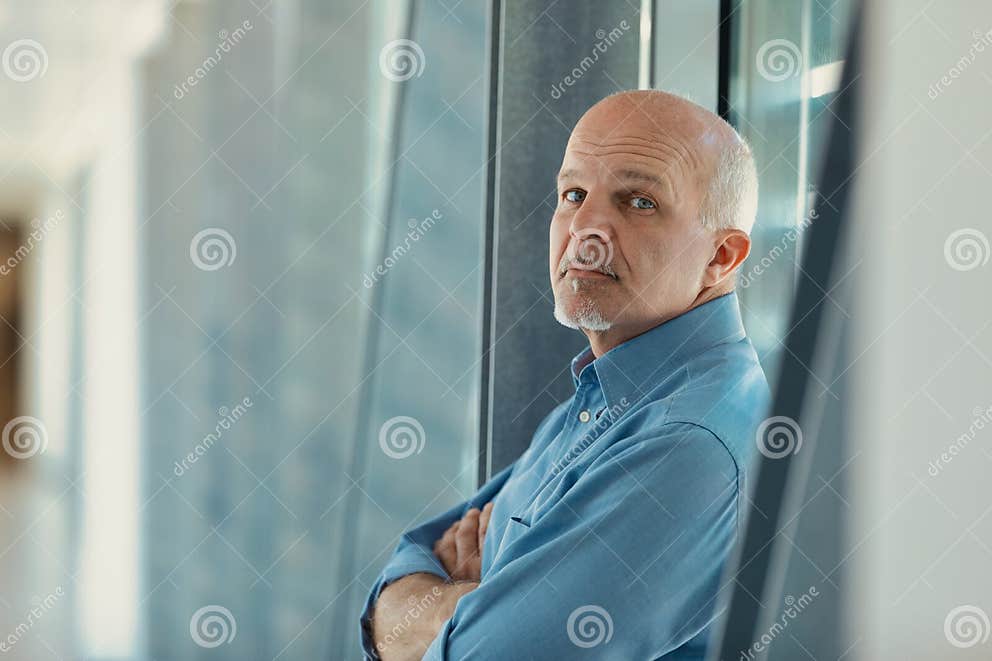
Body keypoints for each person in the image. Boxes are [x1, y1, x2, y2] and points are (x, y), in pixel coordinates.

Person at [359, 89, 771, 660]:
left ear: (721, 257)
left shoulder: (690, 443)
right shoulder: (599, 400)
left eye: (638, 202)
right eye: (574, 194)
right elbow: (408, 561)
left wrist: (450, 607)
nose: (587, 227)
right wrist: (460, 608)